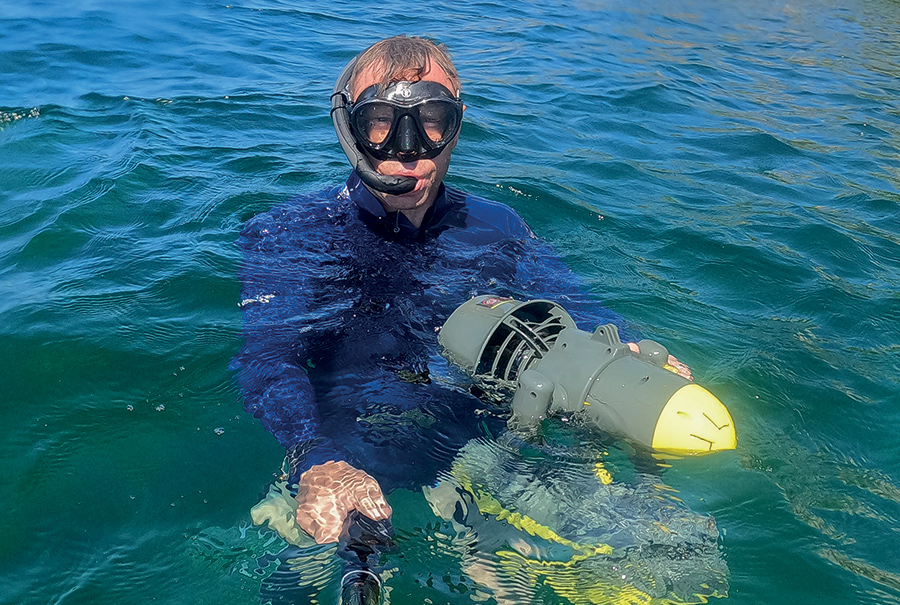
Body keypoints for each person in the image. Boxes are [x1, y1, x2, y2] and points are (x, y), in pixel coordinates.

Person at [235, 35, 690, 547]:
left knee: (655, 547)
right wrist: (313, 457)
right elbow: (267, 358)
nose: (407, 149)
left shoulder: (498, 226)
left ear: (458, 123)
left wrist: (623, 346)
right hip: (346, 452)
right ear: (349, 128)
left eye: (432, 119)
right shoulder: (291, 233)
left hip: (482, 440)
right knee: (317, 561)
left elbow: (573, 304)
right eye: (380, 122)